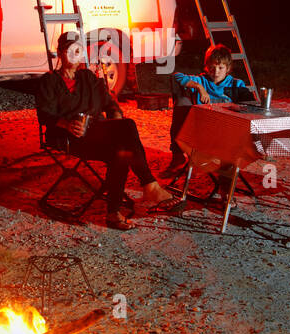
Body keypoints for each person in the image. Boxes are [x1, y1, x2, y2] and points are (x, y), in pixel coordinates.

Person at [37, 33, 176, 229]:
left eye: (78, 51)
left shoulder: (88, 78)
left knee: (122, 148)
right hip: (68, 137)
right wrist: (66, 124)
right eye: (70, 51)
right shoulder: (49, 81)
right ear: (60, 53)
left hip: (96, 131)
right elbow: (44, 115)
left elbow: (111, 105)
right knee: (126, 131)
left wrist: (115, 123)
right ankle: (149, 185)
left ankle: (113, 213)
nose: (74, 56)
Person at [164, 43, 252, 176]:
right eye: (212, 67)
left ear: (227, 68)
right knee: (182, 103)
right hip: (202, 130)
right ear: (207, 67)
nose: (216, 72)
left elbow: (249, 103)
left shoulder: (235, 84)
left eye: (220, 68)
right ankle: (178, 155)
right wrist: (200, 87)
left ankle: (224, 180)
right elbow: (176, 76)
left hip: (225, 132)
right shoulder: (202, 80)